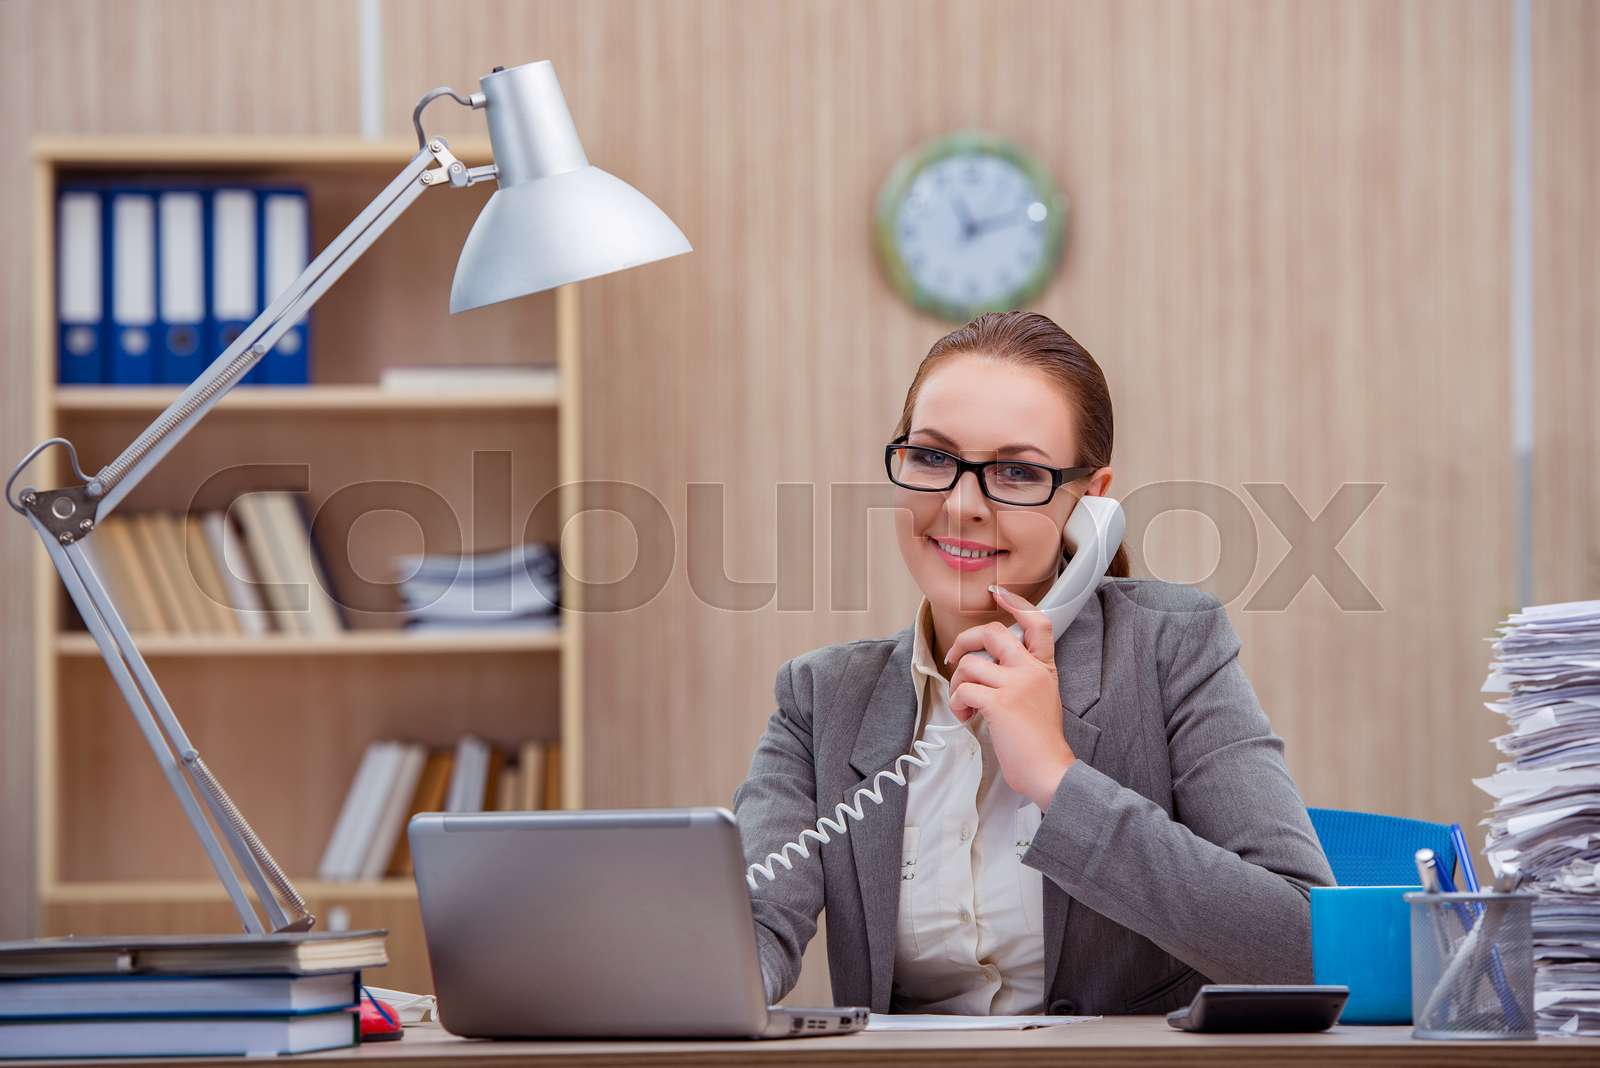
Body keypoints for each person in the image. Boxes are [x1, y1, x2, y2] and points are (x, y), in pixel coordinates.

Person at [733, 311, 1334, 1016]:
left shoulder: (1170, 646)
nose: (961, 507)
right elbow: (751, 936)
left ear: (1091, 500)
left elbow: (1304, 947)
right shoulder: (822, 698)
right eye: (931, 457)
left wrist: (1057, 778)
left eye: (1017, 473)